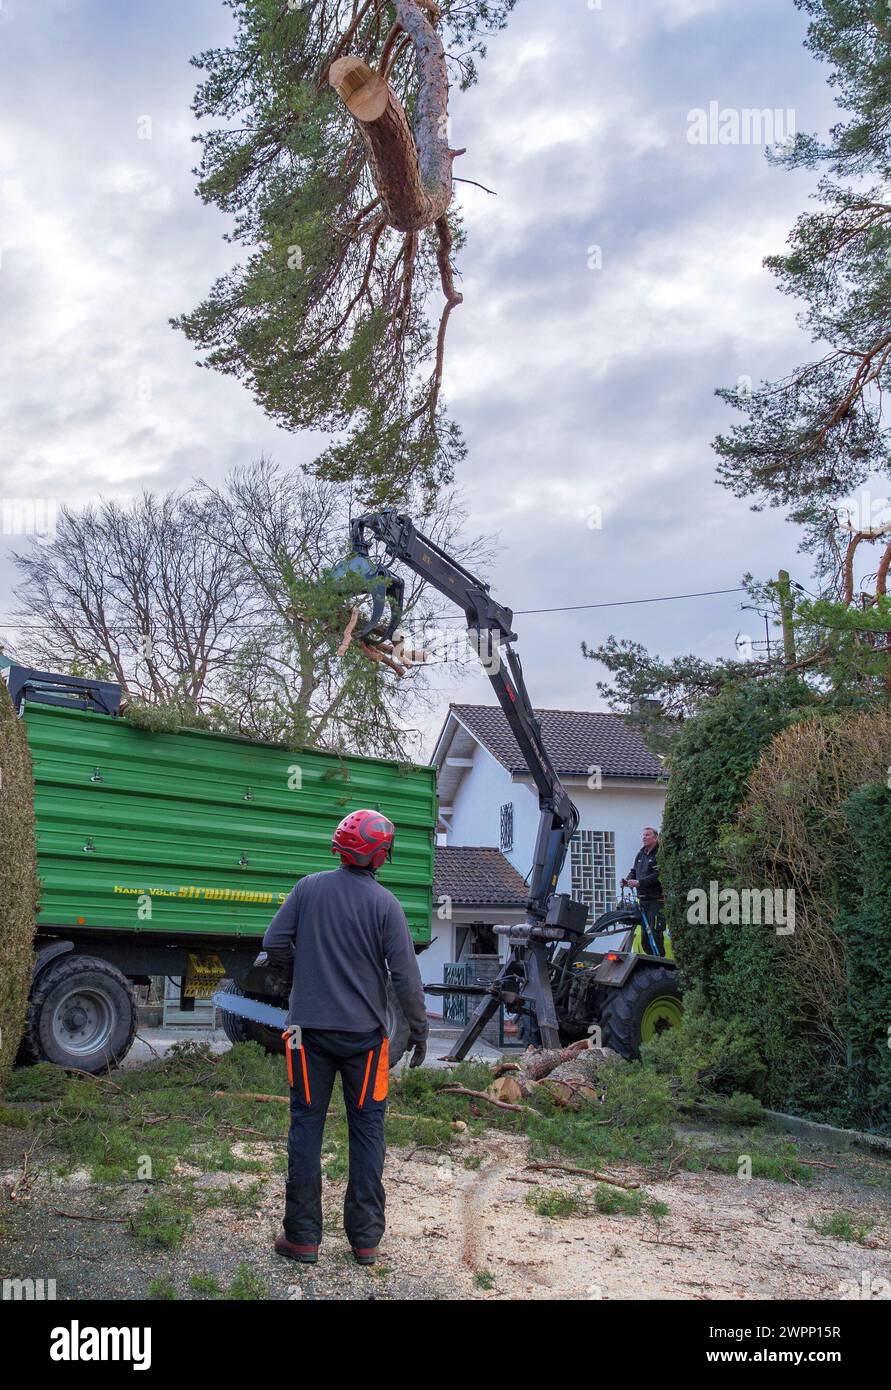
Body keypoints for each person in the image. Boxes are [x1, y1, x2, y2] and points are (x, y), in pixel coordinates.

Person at [262, 807, 429, 1267]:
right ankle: (365, 1240)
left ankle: (302, 1238)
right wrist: (419, 1030)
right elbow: (406, 980)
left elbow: (273, 943)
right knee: (368, 1130)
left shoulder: (307, 889)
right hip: (366, 1040)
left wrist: (304, 970)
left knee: (306, 1126)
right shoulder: (386, 906)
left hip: (305, 1034)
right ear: (379, 856)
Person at [622, 826, 665, 954]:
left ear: (655, 837)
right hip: (643, 901)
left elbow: (658, 875)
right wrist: (627, 880)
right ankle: (650, 961)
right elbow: (634, 871)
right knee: (645, 937)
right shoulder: (641, 854)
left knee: (655, 933)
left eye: (647, 835)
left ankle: (660, 962)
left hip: (656, 901)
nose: (644, 837)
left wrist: (640, 883)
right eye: (643, 835)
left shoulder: (659, 854)